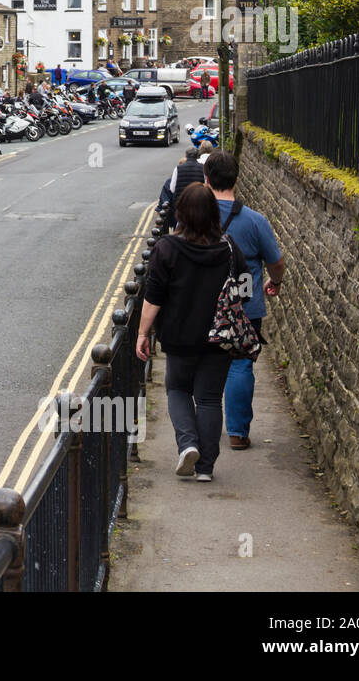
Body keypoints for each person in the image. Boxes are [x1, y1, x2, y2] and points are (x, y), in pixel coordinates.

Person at [137, 184, 249, 481]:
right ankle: (205, 468)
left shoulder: (167, 249)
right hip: (219, 338)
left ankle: (187, 444)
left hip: (179, 338)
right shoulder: (229, 248)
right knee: (210, 400)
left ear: (181, 213)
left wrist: (142, 333)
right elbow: (245, 291)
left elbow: (154, 296)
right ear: (213, 214)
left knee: (177, 389)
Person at [203, 150, 284, 450]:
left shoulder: (196, 218)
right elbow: (276, 262)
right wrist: (274, 282)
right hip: (244, 304)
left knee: (205, 363)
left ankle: (200, 433)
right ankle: (237, 433)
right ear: (236, 179)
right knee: (239, 364)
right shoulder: (255, 221)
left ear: (206, 179)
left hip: (203, 304)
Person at [159, 145, 204, 229]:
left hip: (181, 204)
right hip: (197, 203)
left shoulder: (178, 168)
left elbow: (172, 188)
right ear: (197, 156)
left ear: (185, 155)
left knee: (181, 225)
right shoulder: (202, 168)